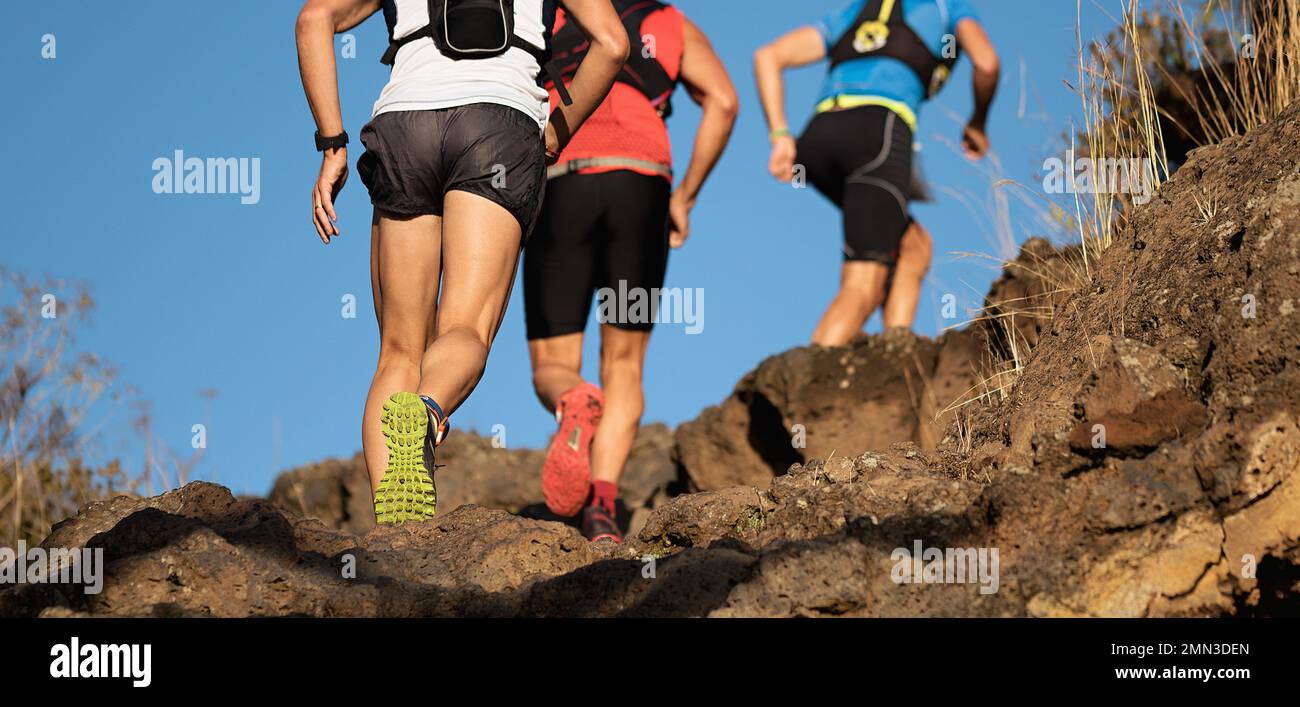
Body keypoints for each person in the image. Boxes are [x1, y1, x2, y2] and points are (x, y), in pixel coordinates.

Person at [296, 0, 630, 525]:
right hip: (498, 123)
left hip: (405, 122)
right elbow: (612, 44)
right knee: (465, 327)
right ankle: (427, 410)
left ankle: (396, 533)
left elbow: (314, 19)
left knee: (397, 353)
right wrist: (556, 133)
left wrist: (332, 144)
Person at [524, 0, 737, 541]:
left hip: (560, 167)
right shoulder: (671, 20)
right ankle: (602, 507)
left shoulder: (547, 11)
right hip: (642, 182)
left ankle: (572, 400)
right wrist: (685, 195)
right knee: (624, 362)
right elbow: (725, 101)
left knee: (552, 362)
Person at [754, 0, 1000, 345]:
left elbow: (767, 56)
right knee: (864, 285)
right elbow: (987, 63)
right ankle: (810, 380)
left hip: (817, 140)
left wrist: (781, 137)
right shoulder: (948, 7)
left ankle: (894, 354)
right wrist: (978, 122)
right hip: (877, 135)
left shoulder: (856, 10)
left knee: (914, 245)